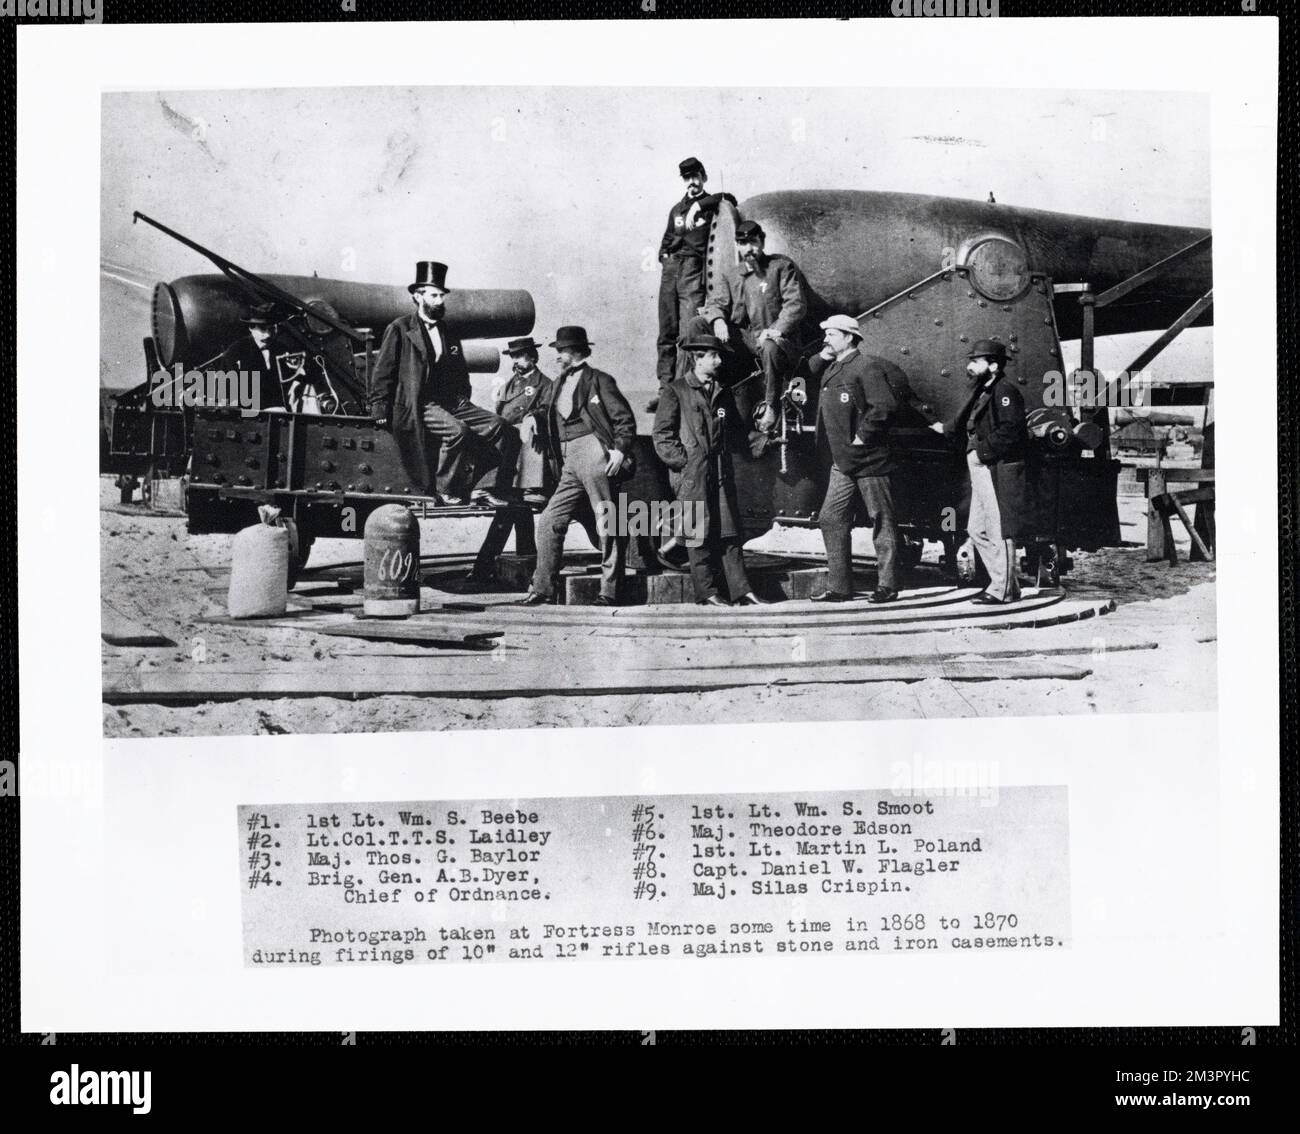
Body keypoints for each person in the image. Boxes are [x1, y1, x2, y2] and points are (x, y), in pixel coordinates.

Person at [369, 261, 519, 506]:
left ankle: (483, 488)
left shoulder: (448, 331)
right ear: (418, 296)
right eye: (434, 295)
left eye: (441, 296)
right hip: (419, 402)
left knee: (499, 426)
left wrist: (463, 398)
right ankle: (444, 489)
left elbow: (460, 370)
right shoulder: (399, 328)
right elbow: (383, 371)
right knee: (457, 432)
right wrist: (378, 406)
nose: (439, 301)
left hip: (451, 400)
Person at [519, 327, 637, 607]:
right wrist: (531, 417)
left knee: (608, 522)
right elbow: (545, 408)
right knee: (550, 520)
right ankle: (543, 588)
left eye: (561, 351)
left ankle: (610, 591)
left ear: (576, 352)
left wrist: (619, 450)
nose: (557, 357)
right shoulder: (558, 383)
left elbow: (624, 420)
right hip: (568, 459)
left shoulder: (600, 380)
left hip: (594, 452)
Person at [652, 333, 767, 607]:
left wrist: (764, 439)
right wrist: (684, 462)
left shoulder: (722, 391)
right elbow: (662, 434)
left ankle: (742, 591)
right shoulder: (676, 390)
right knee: (697, 533)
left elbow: (738, 433)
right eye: (713, 356)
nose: (718, 361)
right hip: (692, 474)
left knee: (729, 531)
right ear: (697, 358)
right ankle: (707, 592)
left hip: (719, 471)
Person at [808, 315, 904, 604]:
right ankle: (839, 586)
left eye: (832, 335)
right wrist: (823, 355)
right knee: (830, 517)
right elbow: (807, 371)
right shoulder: (833, 368)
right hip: (843, 460)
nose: (826, 339)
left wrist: (862, 437)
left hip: (869, 458)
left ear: (849, 337)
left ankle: (888, 586)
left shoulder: (866, 366)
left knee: (882, 521)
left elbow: (884, 406)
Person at [699, 220, 808, 433]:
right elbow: (716, 302)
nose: (749, 248)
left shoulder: (781, 267)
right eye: (743, 243)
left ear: (763, 241)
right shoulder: (732, 274)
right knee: (698, 324)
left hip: (779, 341)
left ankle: (772, 406)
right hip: (748, 340)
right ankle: (699, 389)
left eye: (753, 242)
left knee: (769, 345)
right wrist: (718, 320)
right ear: (738, 246)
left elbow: (795, 304)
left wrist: (777, 329)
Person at [955, 339, 1028, 604]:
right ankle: (1009, 584)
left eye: (976, 361)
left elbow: (1011, 429)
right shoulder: (985, 390)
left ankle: (1002, 589)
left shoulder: (1004, 390)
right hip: (982, 469)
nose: (970, 366)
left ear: (993, 366)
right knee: (977, 530)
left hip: (995, 468)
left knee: (999, 530)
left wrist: (981, 452)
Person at [656, 156, 737, 387]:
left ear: (703, 177)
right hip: (671, 269)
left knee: (687, 331)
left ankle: (683, 386)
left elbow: (729, 199)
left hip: (693, 270)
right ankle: (665, 388)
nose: (692, 182)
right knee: (666, 331)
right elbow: (668, 238)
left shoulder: (711, 205)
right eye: (687, 178)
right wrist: (664, 257)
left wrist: (698, 206)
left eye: (696, 177)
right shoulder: (676, 210)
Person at [495, 336, 553, 506]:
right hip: (507, 432)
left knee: (529, 427)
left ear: (533, 357)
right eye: (513, 357)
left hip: (529, 432)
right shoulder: (507, 385)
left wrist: (535, 416)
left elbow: (548, 407)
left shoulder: (545, 383)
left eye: (520, 356)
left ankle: (533, 487)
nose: (515, 361)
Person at [200, 302, 290, 412]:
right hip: (247, 413)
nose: (268, 334)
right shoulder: (236, 351)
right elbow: (226, 390)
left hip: (277, 410)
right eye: (262, 328)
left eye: (271, 329)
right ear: (251, 328)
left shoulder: (281, 349)